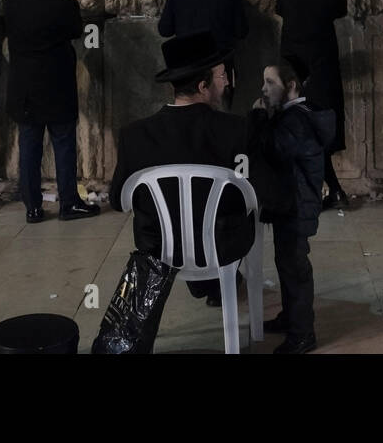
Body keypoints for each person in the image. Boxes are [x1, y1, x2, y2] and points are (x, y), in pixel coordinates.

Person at [108, 32, 287, 318]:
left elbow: (119, 200)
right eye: (221, 75)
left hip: (160, 249)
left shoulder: (135, 136)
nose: (228, 80)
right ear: (203, 87)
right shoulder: (236, 130)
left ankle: (201, 284)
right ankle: (215, 284)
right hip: (222, 247)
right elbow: (266, 194)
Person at [3, 0, 98, 223]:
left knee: (29, 148)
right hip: (56, 87)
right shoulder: (60, 4)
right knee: (64, 145)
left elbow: (32, 8)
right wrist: (72, 1)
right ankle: (69, 204)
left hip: (24, 89)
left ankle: (33, 208)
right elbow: (74, 30)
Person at [250, 58, 335, 354]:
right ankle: (291, 318)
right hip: (293, 202)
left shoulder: (295, 119)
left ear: (291, 86)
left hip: (297, 205)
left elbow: (274, 150)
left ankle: (302, 335)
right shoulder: (296, 114)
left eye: (270, 82)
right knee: (286, 263)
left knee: (296, 269)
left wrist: (259, 118)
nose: (263, 88)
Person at [276, 0, 349, 211]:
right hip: (323, 75)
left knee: (299, 132)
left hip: (294, 74)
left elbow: (283, 5)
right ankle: (334, 190)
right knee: (320, 132)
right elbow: (340, 9)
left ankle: (318, 192)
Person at [158, 0, 249, 108]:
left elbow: (164, 30)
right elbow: (242, 31)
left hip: (187, 67)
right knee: (221, 114)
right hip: (220, 61)